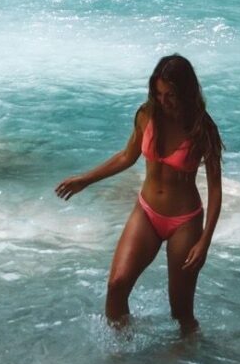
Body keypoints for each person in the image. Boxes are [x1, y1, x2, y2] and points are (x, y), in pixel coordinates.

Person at [56, 54, 223, 330]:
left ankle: (187, 359)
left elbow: (216, 190)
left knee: (181, 312)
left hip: (185, 222)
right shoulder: (146, 115)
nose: (163, 101)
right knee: (116, 284)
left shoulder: (202, 128)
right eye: (158, 93)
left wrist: (204, 241)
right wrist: (85, 179)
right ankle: (122, 360)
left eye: (170, 95)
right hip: (147, 211)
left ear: (185, 91)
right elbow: (126, 157)